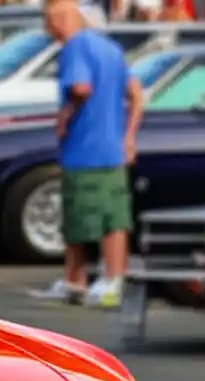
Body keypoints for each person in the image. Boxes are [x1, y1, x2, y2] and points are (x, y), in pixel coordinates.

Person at [36, 0, 144, 308]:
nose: (47, 28)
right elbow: (136, 95)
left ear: (60, 19)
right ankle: (114, 279)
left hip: (85, 149)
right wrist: (129, 137)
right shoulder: (110, 49)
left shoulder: (75, 47)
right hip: (113, 148)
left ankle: (76, 279)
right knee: (114, 219)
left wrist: (65, 116)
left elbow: (81, 87)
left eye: (47, 20)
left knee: (79, 218)